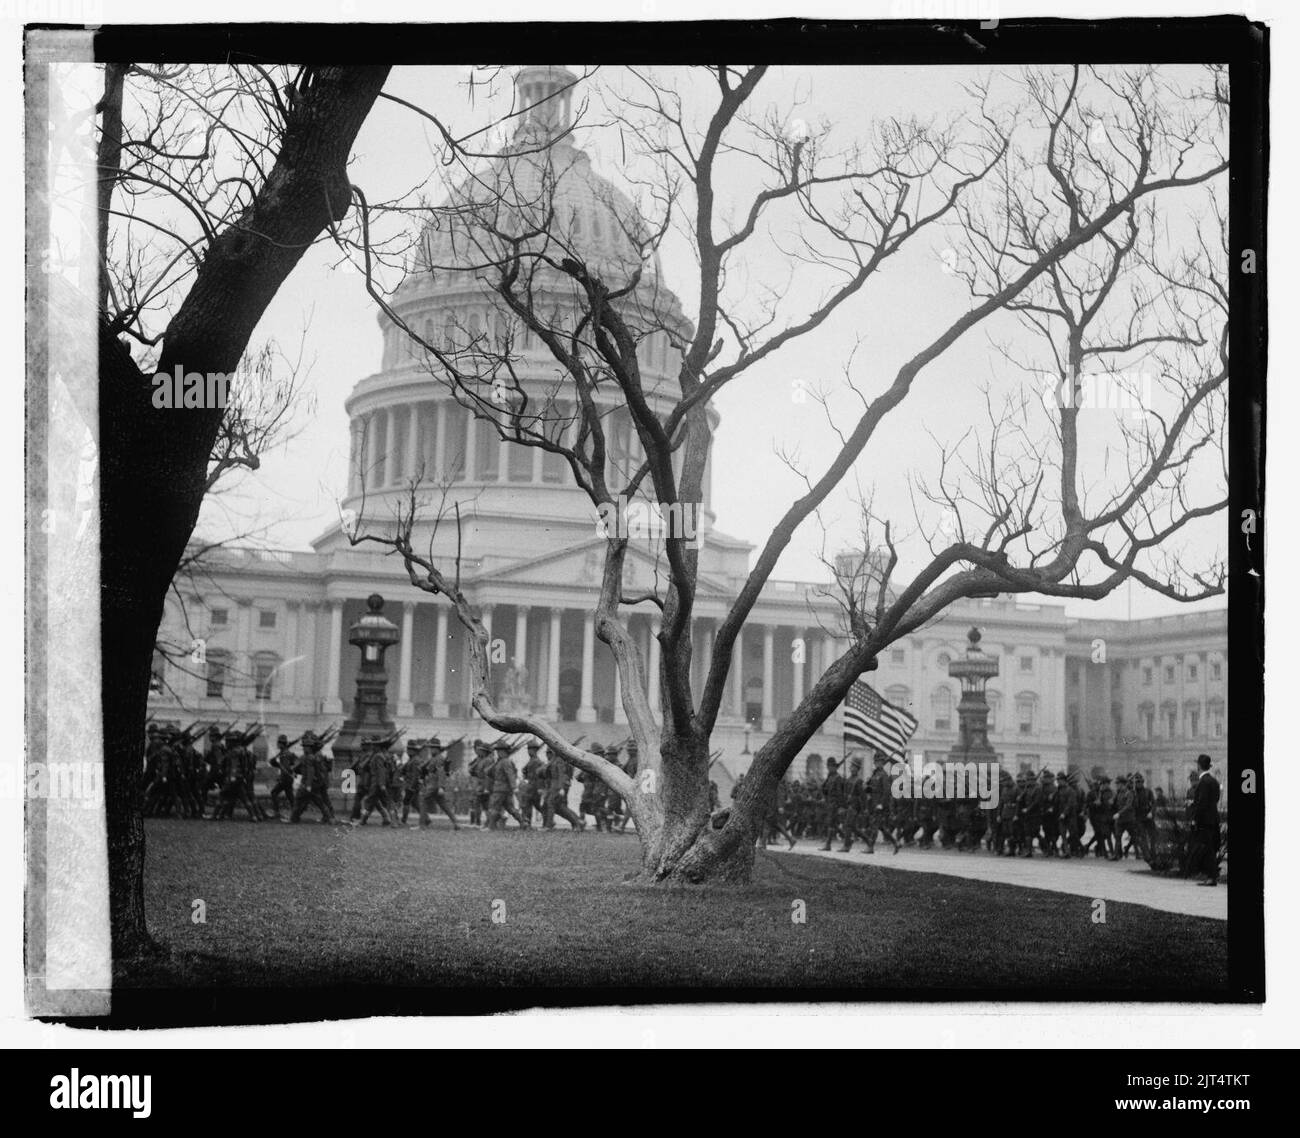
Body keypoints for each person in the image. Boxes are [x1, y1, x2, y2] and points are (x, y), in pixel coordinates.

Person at [1186, 754, 1222, 886]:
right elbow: (1216, 799)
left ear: (1199, 766)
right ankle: (1210, 875)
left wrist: (1195, 819)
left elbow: (1201, 803)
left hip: (1204, 822)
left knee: (1206, 849)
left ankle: (1210, 877)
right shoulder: (1213, 781)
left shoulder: (1203, 782)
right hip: (1213, 819)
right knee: (1210, 848)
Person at [416, 737, 460, 830]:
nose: (431, 750)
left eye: (433, 748)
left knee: (423, 800)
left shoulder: (439, 759)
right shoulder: (435, 758)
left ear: (437, 749)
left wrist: (441, 787)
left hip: (434, 784)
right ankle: (456, 823)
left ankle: (422, 824)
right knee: (443, 804)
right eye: (431, 748)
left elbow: (441, 773)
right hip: (433, 783)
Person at [542, 744, 584, 830]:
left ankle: (548, 826)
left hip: (558, 786)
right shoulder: (555, 760)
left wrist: (561, 788)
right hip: (554, 786)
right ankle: (578, 822)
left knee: (551, 803)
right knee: (560, 807)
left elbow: (562, 774)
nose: (550, 753)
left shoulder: (560, 760)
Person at [486, 739, 524, 830]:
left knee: (494, 806)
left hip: (500, 789)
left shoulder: (505, 762)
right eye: (497, 751)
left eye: (499, 750)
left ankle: (491, 827)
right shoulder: (500, 761)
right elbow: (489, 772)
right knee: (510, 808)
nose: (498, 752)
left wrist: (514, 787)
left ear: (504, 751)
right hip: (504, 789)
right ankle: (523, 822)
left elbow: (510, 774)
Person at [819, 758, 846, 852]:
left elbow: (840, 793)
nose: (830, 768)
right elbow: (825, 789)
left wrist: (841, 806)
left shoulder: (838, 778)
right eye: (829, 766)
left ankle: (828, 844)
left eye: (832, 766)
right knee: (832, 824)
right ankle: (847, 839)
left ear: (835, 767)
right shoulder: (830, 777)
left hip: (835, 803)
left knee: (831, 823)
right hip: (829, 802)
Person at [518, 740, 547, 827]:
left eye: (530, 749)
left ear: (535, 750)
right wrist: (525, 776)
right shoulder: (531, 761)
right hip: (530, 786)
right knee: (529, 805)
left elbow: (540, 776)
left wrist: (540, 788)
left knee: (534, 805)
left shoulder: (537, 762)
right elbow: (524, 770)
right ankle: (528, 823)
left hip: (535, 787)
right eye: (528, 749)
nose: (529, 751)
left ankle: (547, 821)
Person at [269, 734, 297, 820]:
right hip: (289, 778)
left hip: (285, 778)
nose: (277, 745)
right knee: (290, 796)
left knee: (274, 793)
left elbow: (286, 768)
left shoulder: (284, 754)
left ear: (281, 744)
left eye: (278, 743)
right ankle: (295, 813)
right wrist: (274, 762)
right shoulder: (286, 753)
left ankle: (277, 812)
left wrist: (281, 778)